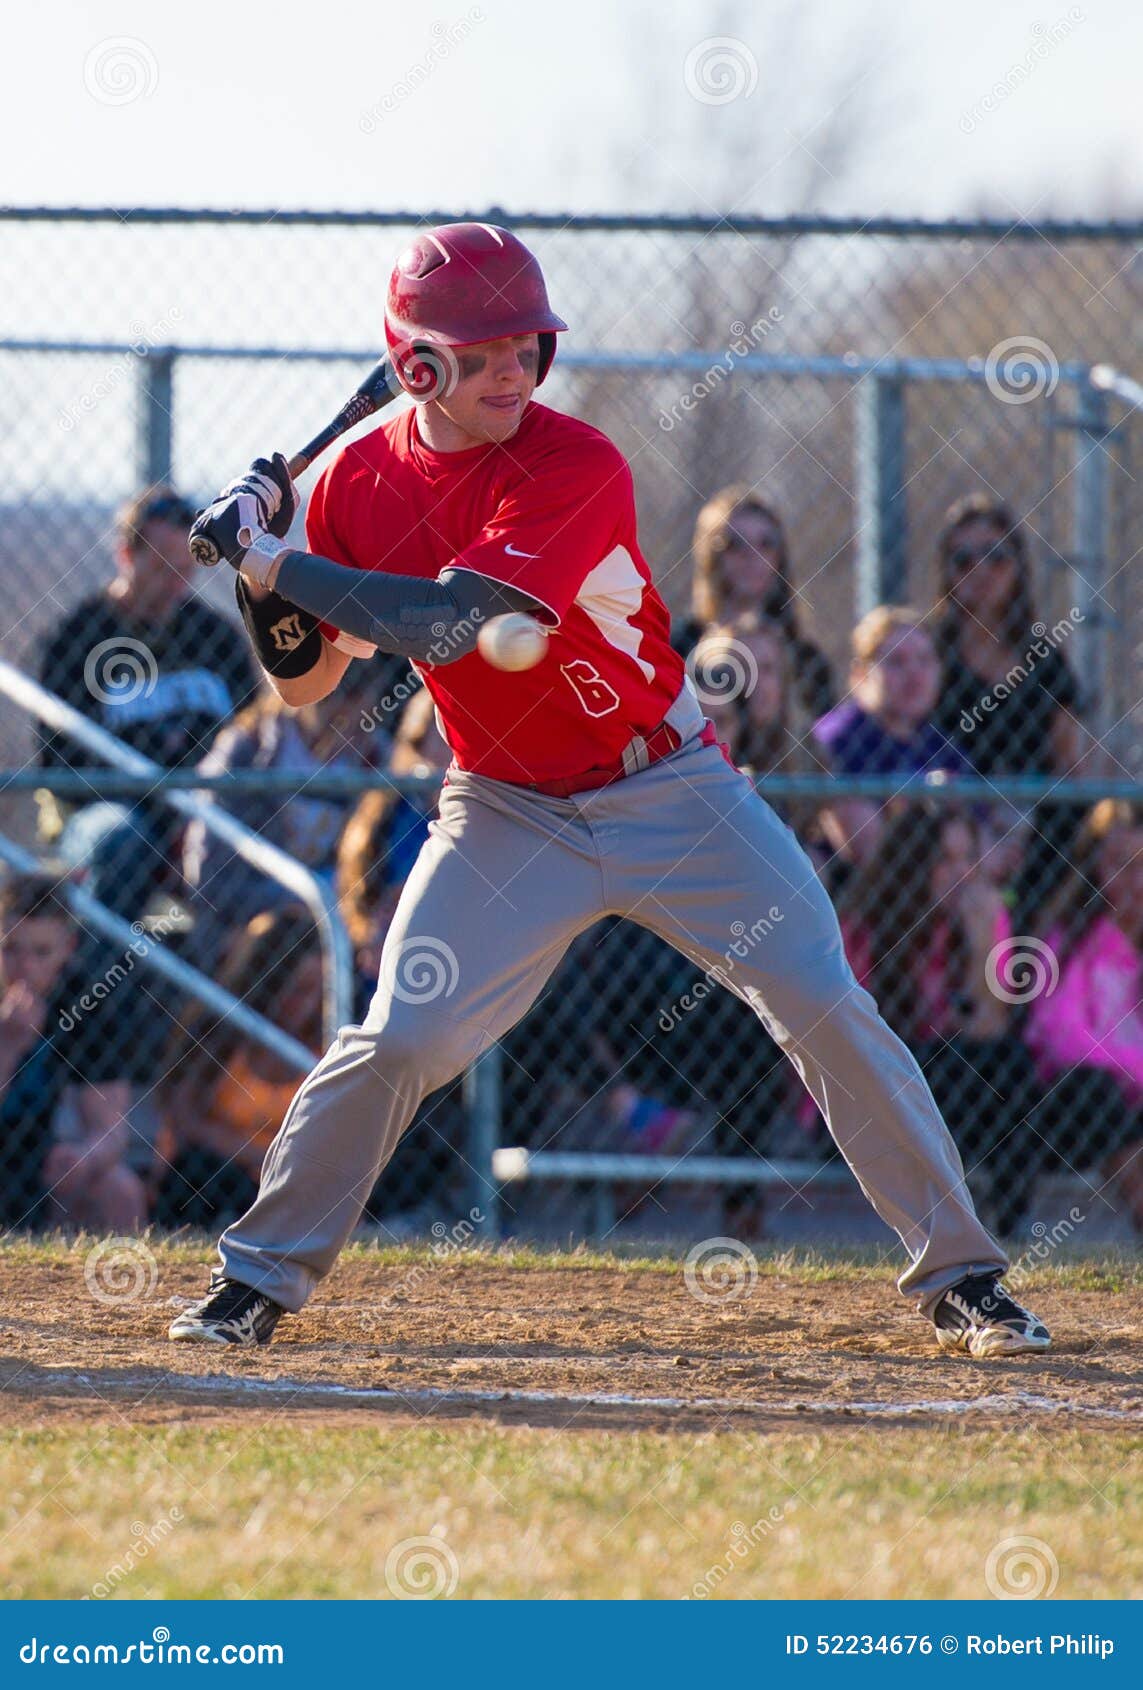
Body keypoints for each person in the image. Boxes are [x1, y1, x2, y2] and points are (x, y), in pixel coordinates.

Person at [169, 221, 1048, 1359]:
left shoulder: (577, 462)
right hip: (502, 811)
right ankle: (256, 1280)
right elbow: (307, 678)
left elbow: (461, 620)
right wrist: (257, 563)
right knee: (402, 1035)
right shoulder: (353, 478)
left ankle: (964, 1275)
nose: (513, 371)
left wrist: (275, 559)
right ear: (414, 364)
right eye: (479, 353)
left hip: (672, 789)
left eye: (526, 346)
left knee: (821, 996)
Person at [36, 486, 260, 920]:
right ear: (126, 555)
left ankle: (231, 980)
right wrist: (163, 814)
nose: (175, 585)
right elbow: (59, 763)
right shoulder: (77, 640)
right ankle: (99, 982)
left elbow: (253, 733)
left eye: (184, 569)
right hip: (110, 814)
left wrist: (195, 815)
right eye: (161, 568)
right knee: (120, 838)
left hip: (205, 810)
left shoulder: (216, 639)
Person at [837, 804, 1044, 1235]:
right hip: (878, 1091)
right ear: (912, 863)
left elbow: (988, 1031)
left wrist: (981, 946)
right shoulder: (866, 928)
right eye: (944, 860)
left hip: (953, 1087)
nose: (961, 873)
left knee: (1008, 1064)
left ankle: (1007, 1224)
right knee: (947, 1062)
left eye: (968, 858)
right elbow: (864, 1043)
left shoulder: (980, 918)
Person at [928, 493, 1087, 926]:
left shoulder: (1043, 658)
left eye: (995, 556)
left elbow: (1069, 762)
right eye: (964, 559)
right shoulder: (931, 652)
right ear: (947, 572)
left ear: (1018, 567)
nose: (980, 571)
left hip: (1038, 823)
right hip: (955, 822)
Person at [154, 907, 324, 1230]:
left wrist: (279, 1168)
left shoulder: (329, 1042)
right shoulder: (219, 1033)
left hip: (292, 1186)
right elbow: (185, 1120)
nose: (304, 1004)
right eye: (295, 989)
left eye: (314, 990)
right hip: (223, 1178)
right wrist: (259, 1157)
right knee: (201, 1171)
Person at [1023, 800, 1143, 1232]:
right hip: (1080, 1106)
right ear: (1093, 867)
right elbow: (1064, 1039)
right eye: (1120, 865)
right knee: (1098, 1094)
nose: (1135, 882)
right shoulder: (1068, 939)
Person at [0, 874, 144, 1232]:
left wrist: (83, 1159)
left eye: (41, 952)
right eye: (9, 949)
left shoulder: (87, 1002)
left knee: (120, 1189)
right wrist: (9, 1044)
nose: (25, 968)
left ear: (69, 947)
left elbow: (111, 1132)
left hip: (41, 1163)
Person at [814, 606, 969, 871]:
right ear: (861, 675)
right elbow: (864, 845)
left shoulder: (939, 743)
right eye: (896, 662)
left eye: (925, 660)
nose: (915, 675)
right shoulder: (839, 736)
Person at [680, 487, 834, 719]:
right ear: (711, 556)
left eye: (766, 543)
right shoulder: (681, 646)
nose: (753, 555)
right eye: (735, 544)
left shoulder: (806, 659)